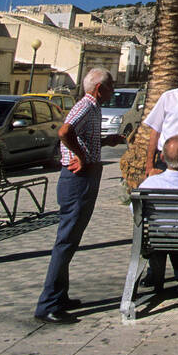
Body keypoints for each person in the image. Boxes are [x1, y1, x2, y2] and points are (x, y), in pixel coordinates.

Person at [34, 68, 124, 323]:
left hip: (87, 177)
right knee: (66, 240)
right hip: (77, 181)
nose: (113, 91)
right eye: (110, 86)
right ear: (99, 89)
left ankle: (60, 294)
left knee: (72, 240)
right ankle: (47, 303)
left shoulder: (93, 107)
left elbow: (82, 136)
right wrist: (81, 157)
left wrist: (106, 142)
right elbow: (65, 132)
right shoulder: (86, 106)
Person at [137, 134, 178, 294]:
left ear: (162, 158)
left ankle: (161, 281)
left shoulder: (150, 184)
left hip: (157, 240)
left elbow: (135, 212)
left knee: (165, 232)